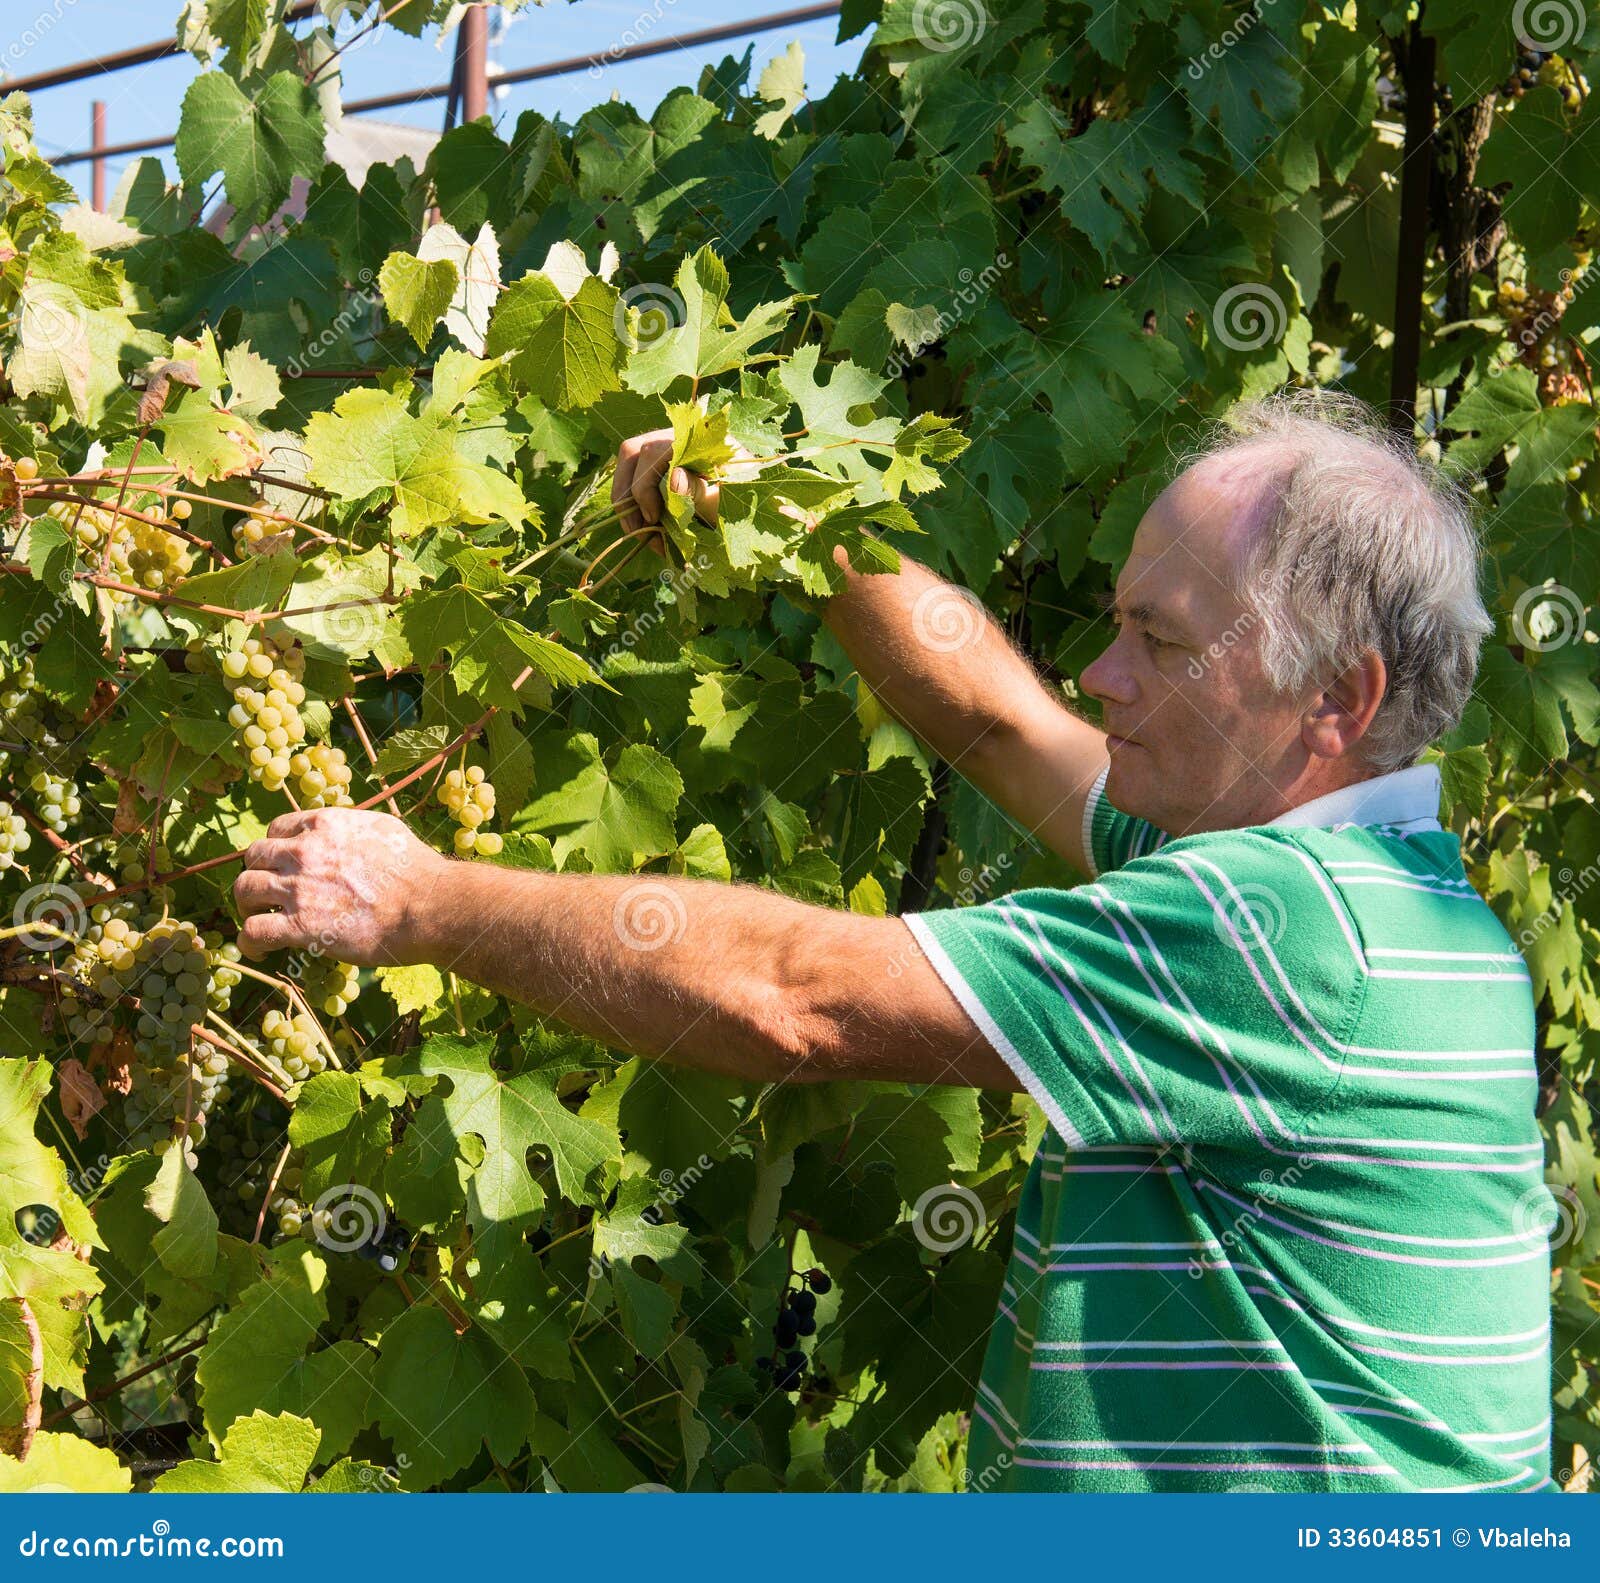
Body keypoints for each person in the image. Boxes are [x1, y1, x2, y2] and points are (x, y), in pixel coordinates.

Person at [234, 391, 1553, 1493]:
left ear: (1337, 697)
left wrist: (418, 900)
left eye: (1161, 644)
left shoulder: (1285, 935)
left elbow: (791, 999)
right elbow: (998, 723)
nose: (1102, 676)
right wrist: (792, 519)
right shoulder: (1345, 884)